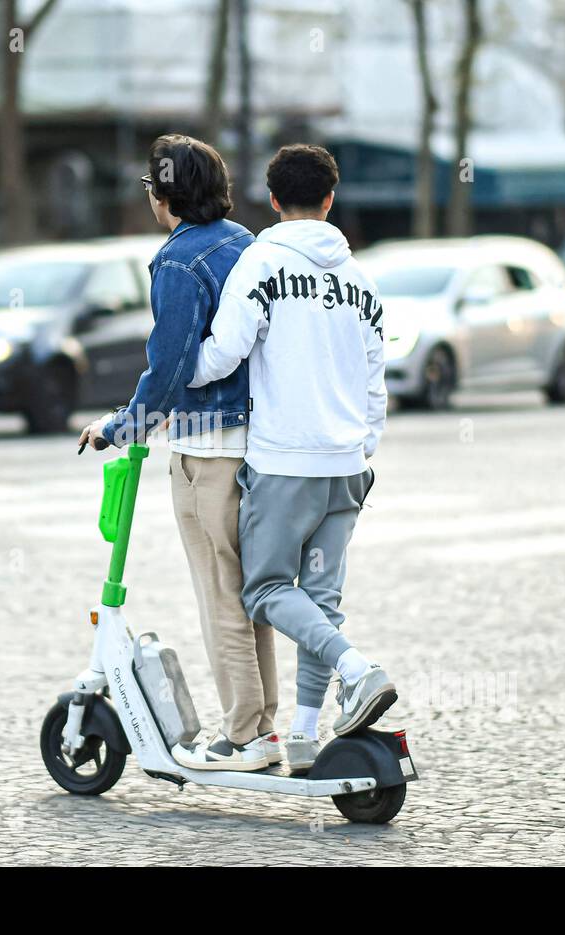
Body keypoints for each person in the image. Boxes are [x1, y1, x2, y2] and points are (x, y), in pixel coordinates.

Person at [188, 144, 395, 771]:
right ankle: (304, 736)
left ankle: (356, 668)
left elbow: (225, 350)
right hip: (347, 467)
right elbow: (375, 380)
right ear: (330, 199)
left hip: (285, 462)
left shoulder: (262, 262)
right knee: (319, 602)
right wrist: (363, 446)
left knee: (266, 590)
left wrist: (176, 379)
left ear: (274, 200)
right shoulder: (361, 280)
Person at [77, 134, 280, 773]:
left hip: (206, 449)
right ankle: (263, 724)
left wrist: (118, 427)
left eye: (150, 187)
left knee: (221, 593)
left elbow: (167, 369)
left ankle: (245, 736)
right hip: (257, 442)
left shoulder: (177, 262)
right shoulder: (246, 243)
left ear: (164, 195)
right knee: (249, 592)